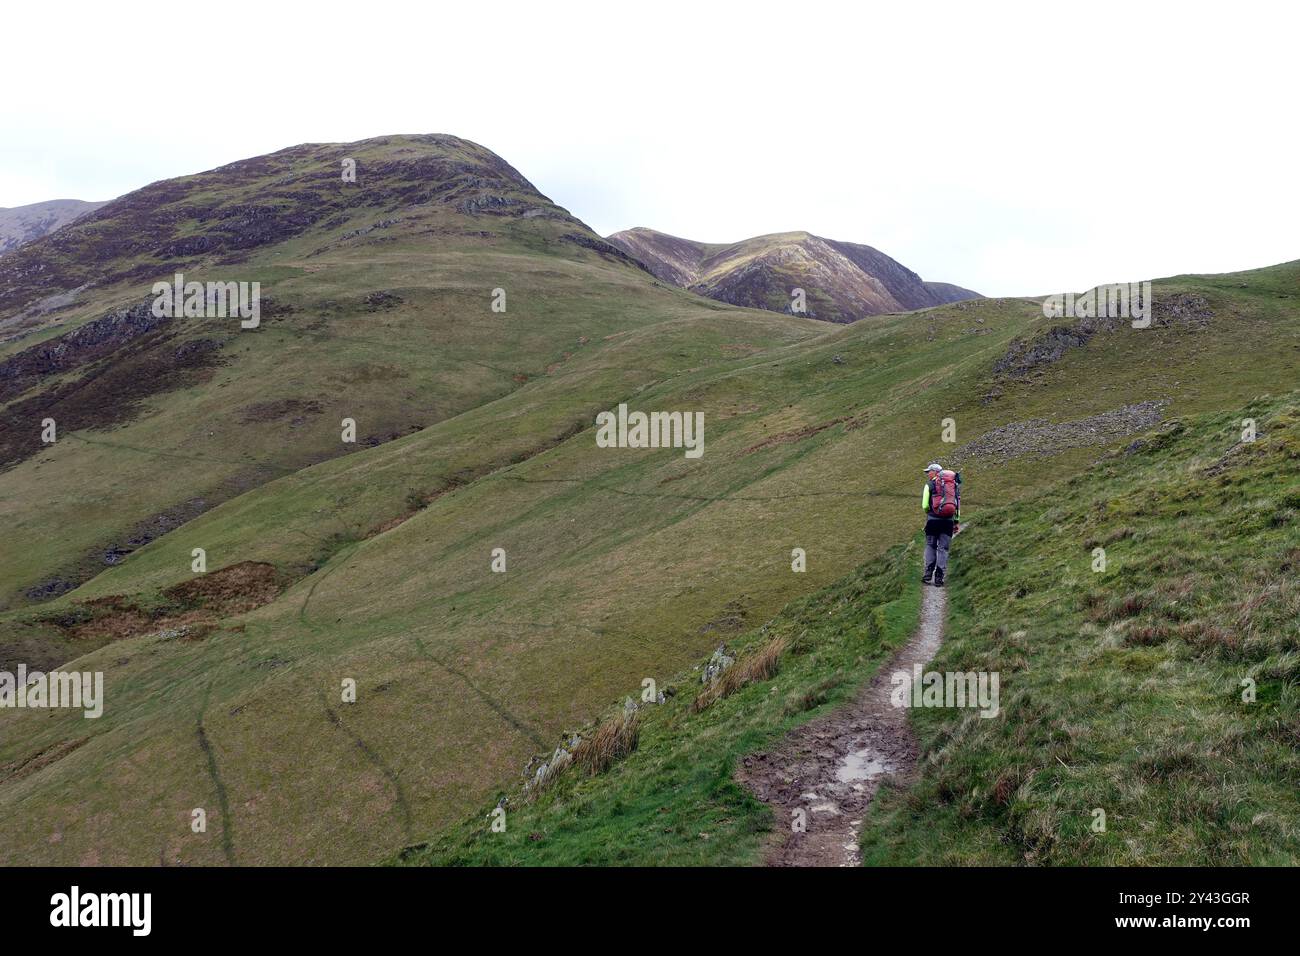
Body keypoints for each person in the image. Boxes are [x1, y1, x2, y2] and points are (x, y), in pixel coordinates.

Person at [921, 462, 960, 587]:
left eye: (929, 471)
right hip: (948, 522)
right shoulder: (953, 485)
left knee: (931, 546)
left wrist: (930, 512)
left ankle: (927, 575)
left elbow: (925, 505)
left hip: (932, 520)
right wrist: (956, 521)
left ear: (935, 472)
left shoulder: (930, 484)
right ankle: (939, 578)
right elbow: (957, 505)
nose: (928, 474)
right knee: (943, 549)